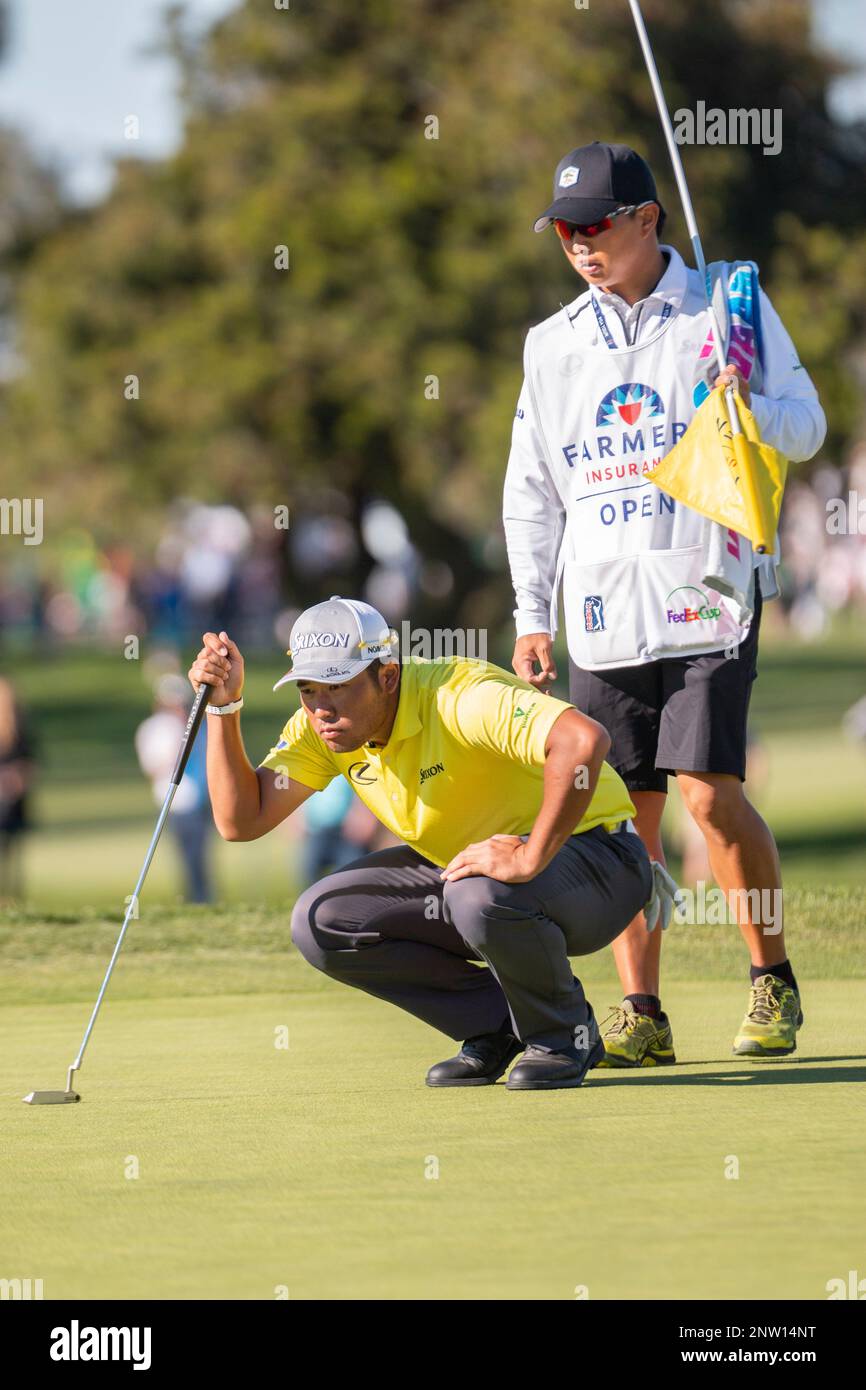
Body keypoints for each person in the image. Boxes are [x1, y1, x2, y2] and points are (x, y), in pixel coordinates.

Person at [504, 141, 826, 1063]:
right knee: (622, 818)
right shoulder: (550, 343)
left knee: (708, 796)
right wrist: (533, 611)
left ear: (649, 219)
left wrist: (745, 404)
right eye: (562, 231)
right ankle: (640, 1012)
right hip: (604, 609)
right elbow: (532, 490)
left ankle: (772, 979)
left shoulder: (727, 306)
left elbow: (807, 426)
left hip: (711, 585)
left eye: (593, 226)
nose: (576, 245)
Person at [187, 596, 670, 1092]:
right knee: (324, 918)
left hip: (599, 860)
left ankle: (562, 1034)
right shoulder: (322, 729)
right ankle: (499, 1027)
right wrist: (225, 707)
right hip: (481, 876)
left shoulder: (458, 695)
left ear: (388, 676)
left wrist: (531, 854)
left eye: (338, 686)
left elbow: (583, 742)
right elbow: (241, 821)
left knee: (476, 892)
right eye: (308, 690)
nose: (321, 708)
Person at [135, 674, 214, 904]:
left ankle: (203, 900)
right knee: (186, 857)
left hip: (202, 800)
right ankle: (192, 900)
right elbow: (152, 767)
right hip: (175, 802)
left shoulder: (199, 724)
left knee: (201, 856)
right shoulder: (154, 729)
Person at [0, 678, 36, 901]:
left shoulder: (18, 727)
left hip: (13, 795)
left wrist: (19, 776)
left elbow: (30, 758)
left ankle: (12, 897)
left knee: (12, 847)